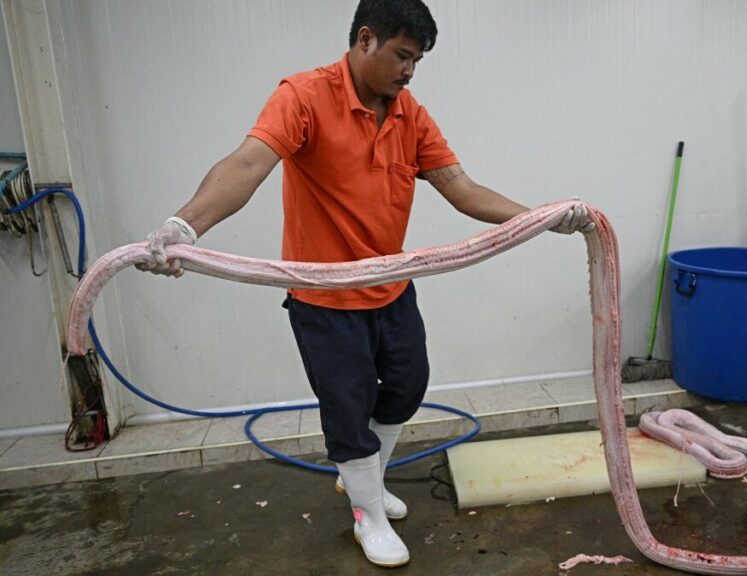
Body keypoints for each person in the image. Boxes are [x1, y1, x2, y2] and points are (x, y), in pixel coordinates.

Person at [137, 0, 592, 569]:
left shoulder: (410, 115)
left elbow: (462, 188)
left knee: (407, 384)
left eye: (417, 61)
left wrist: (543, 217)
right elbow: (248, 164)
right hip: (324, 297)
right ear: (366, 40)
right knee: (348, 410)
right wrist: (185, 225)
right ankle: (366, 513)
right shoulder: (304, 96)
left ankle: (363, 482)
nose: (409, 71)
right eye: (403, 56)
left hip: (391, 285)